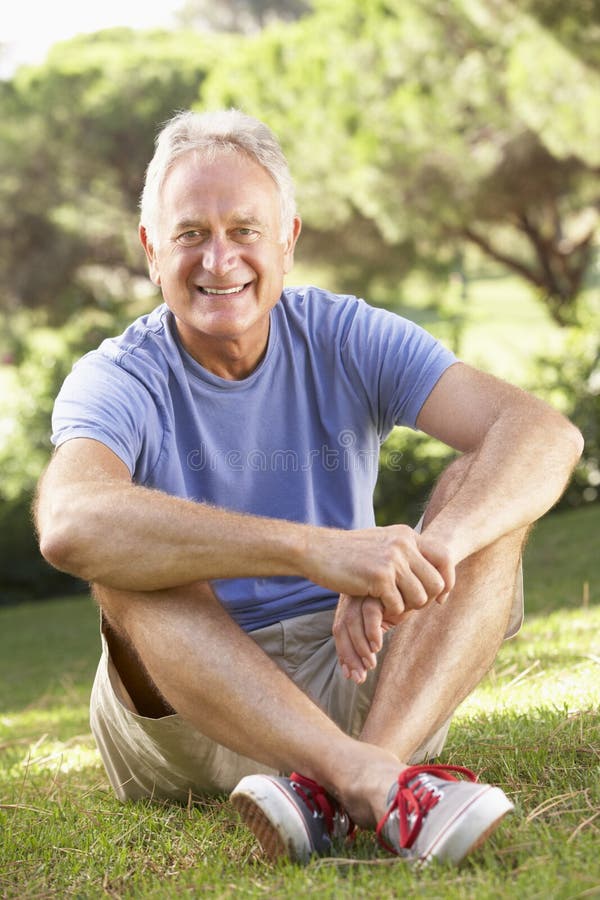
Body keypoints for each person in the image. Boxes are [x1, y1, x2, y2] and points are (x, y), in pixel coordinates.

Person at [34, 109, 583, 867]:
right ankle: (377, 782)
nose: (219, 260)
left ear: (288, 239)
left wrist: (421, 558)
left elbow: (544, 436)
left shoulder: (344, 333)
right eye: (191, 233)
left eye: (244, 231)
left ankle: (355, 780)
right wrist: (317, 553)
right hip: (198, 704)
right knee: (124, 562)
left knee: (482, 496)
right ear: (152, 251)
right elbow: (68, 522)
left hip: (364, 682)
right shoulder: (119, 376)